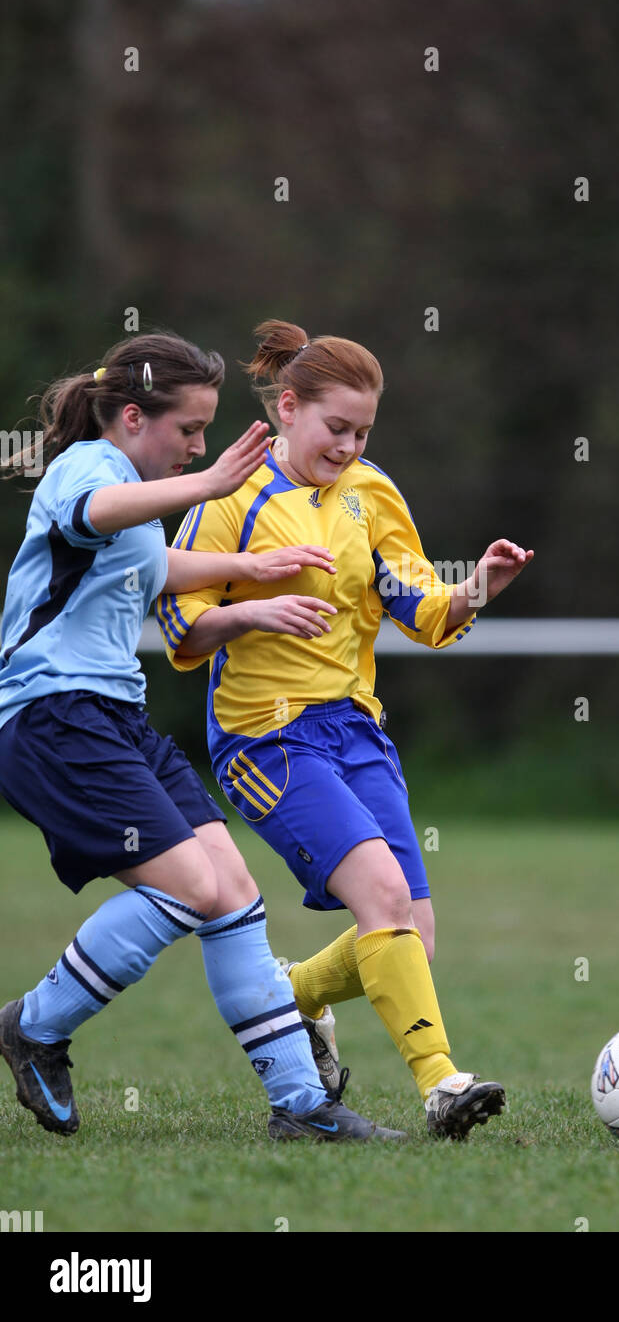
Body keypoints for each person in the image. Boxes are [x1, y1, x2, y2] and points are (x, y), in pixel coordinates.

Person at [0, 331, 405, 1144]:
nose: (198, 448)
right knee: (189, 887)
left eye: (206, 435)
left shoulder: (135, 488)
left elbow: (148, 567)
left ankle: (301, 1107)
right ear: (127, 418)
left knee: (233, 894)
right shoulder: (92, 467)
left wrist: (253, 578)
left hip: (114, 716)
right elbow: (93, 513)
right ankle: (34, 1026)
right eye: (188, 431)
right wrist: (212, 487)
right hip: (54, 717)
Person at [157, 320, 533, 1138]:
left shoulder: (371, 492)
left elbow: (422, 611)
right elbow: (179, 630)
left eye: (363, 431)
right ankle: (442, 1086)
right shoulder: (228, 495)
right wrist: (252, 609)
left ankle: (280, 999)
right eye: (337, 428)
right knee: (385, 899)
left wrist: (477, 590)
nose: (350, 445)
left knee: (410, 941)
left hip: (357, 734)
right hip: (267, 738)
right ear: (288, 408)